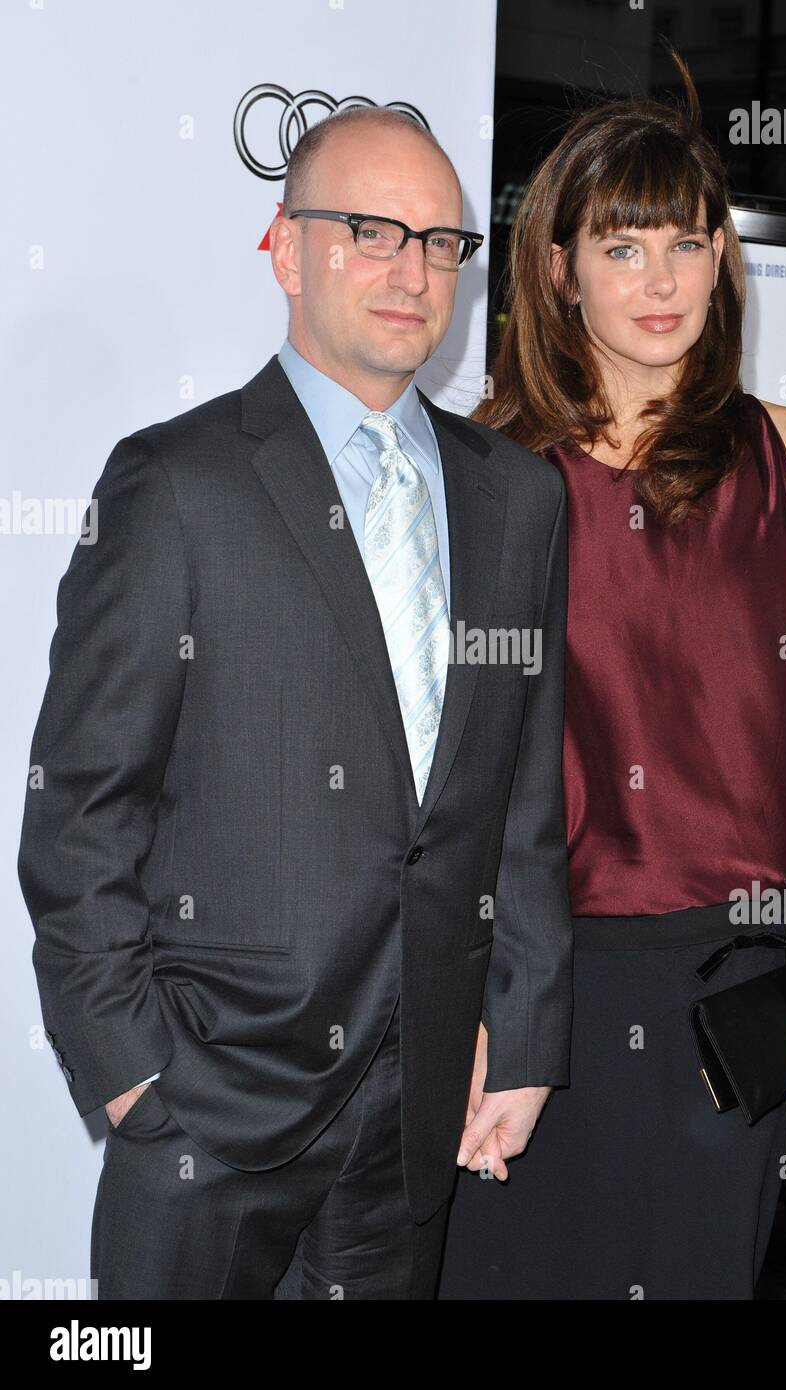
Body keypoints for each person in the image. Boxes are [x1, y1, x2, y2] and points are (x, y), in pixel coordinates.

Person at [17, 106, 573, 1300]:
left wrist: (523, 1037)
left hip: (422, 1100)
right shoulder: (175, 481)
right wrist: (133, 1076)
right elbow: (79, 811)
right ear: (283, 248)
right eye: (370, 230)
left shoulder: (517, 500)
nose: (411, 269)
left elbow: (519, 798)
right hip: (209, 1099)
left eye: (439, 241)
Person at [437, 54, 786, 1301]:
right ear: (560, 267)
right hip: (527, 978)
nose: (660, 282)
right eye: (621, 248)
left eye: (686, 245)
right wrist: (460, 997)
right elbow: (451, 761)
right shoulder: (486, 464)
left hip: (722, 981)